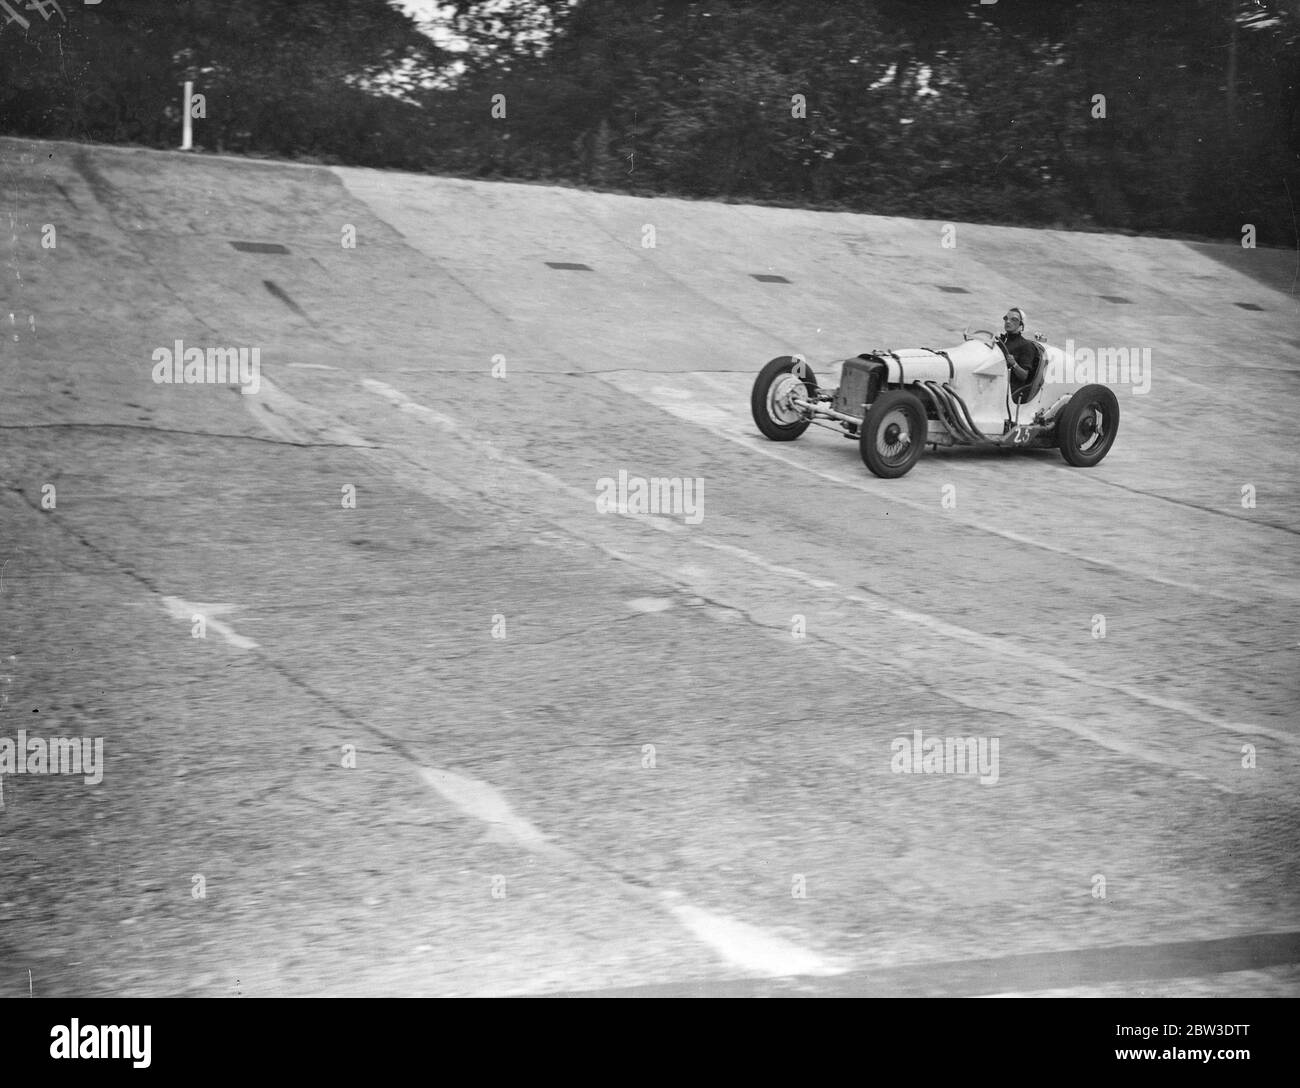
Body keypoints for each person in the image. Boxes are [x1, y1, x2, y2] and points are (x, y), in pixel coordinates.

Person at [997, 307, 1038, 384]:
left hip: (1008, 389)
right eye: (1006, 318)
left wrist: (1014, 364)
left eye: (1014, 319)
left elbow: (1024, 376)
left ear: (1021, 324)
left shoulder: (1026, 346)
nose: (1008, 321)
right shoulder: (999, 341)